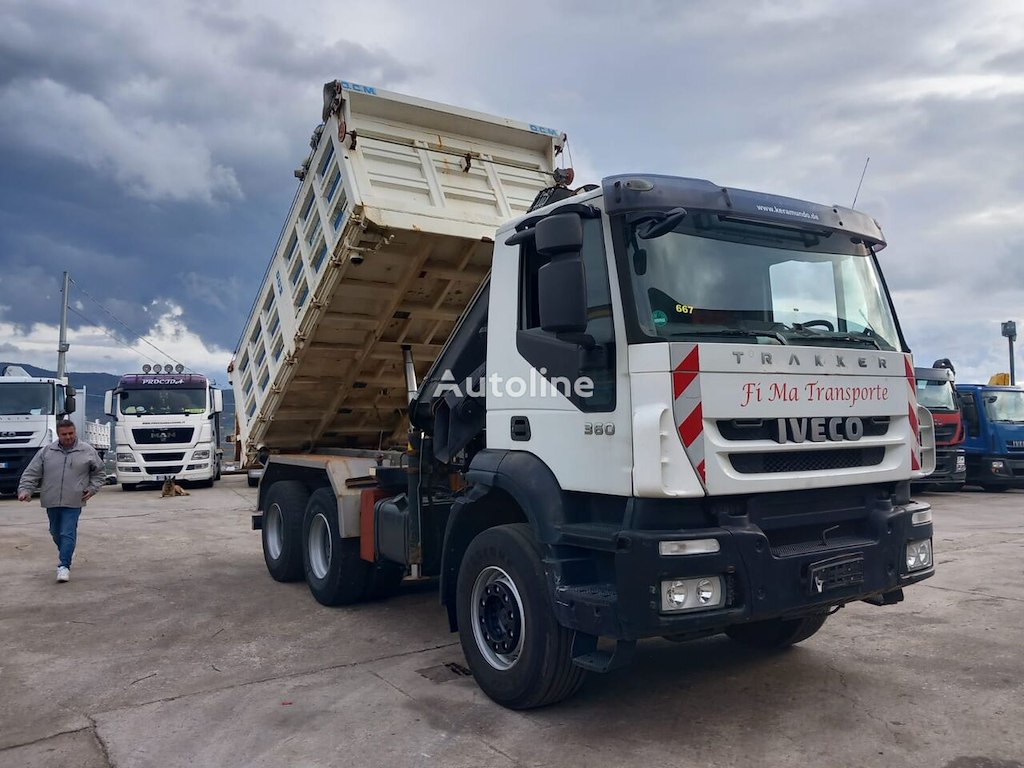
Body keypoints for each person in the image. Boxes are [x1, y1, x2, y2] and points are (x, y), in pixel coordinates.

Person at [17, 419, 105, 583]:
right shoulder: (47, 452)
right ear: (58, 435)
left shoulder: (86, 451)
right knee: (56, 533)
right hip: (51, 500)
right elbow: (31, 473)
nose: (68, 437)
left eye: (71, 433)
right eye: (64, 434)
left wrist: (92, 489)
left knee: (67, 532)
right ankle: (67, 551)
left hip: (74, 500)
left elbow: (99, 473)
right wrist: (25, 490)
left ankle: (64, 566)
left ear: (75, 432)